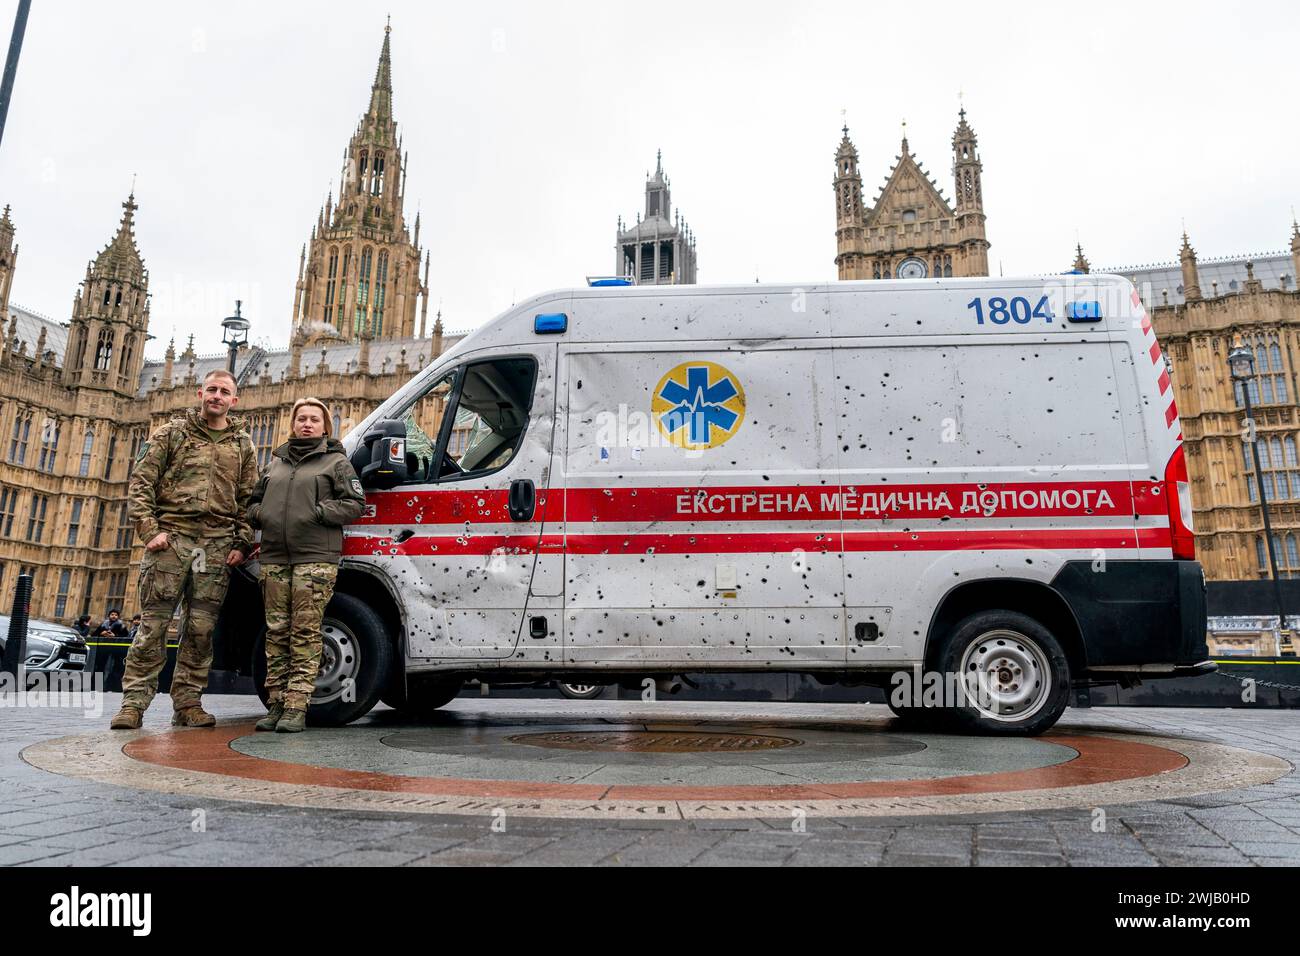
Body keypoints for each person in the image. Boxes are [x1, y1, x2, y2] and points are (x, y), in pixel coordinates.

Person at [110, 369, 258, 730]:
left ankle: (188, 702)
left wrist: (240, 542)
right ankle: (133, 704)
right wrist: (150, 531)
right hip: (172, 539)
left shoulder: (242, 444)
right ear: (200, 393)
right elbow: (141, 484)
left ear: (233, 401)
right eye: (212, 390)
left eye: (224, 392)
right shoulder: (171, 433)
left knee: (201, 630)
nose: (217, 396)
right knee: (153, 626)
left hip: (216, 545)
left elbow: (248, 500)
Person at [247, 397, 365, 733]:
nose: (307, 424)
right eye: (302, 418)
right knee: (276, 633)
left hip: (315, 559)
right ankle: (276, 704)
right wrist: (262, 516)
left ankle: (297, 707)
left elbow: (355, 503)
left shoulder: (336, 463)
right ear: (293, 424)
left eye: (314, 419)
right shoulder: (274, 466)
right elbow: (252, 503)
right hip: (274, 558)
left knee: (304, 633)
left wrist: (317, 512)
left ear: (325, 426)